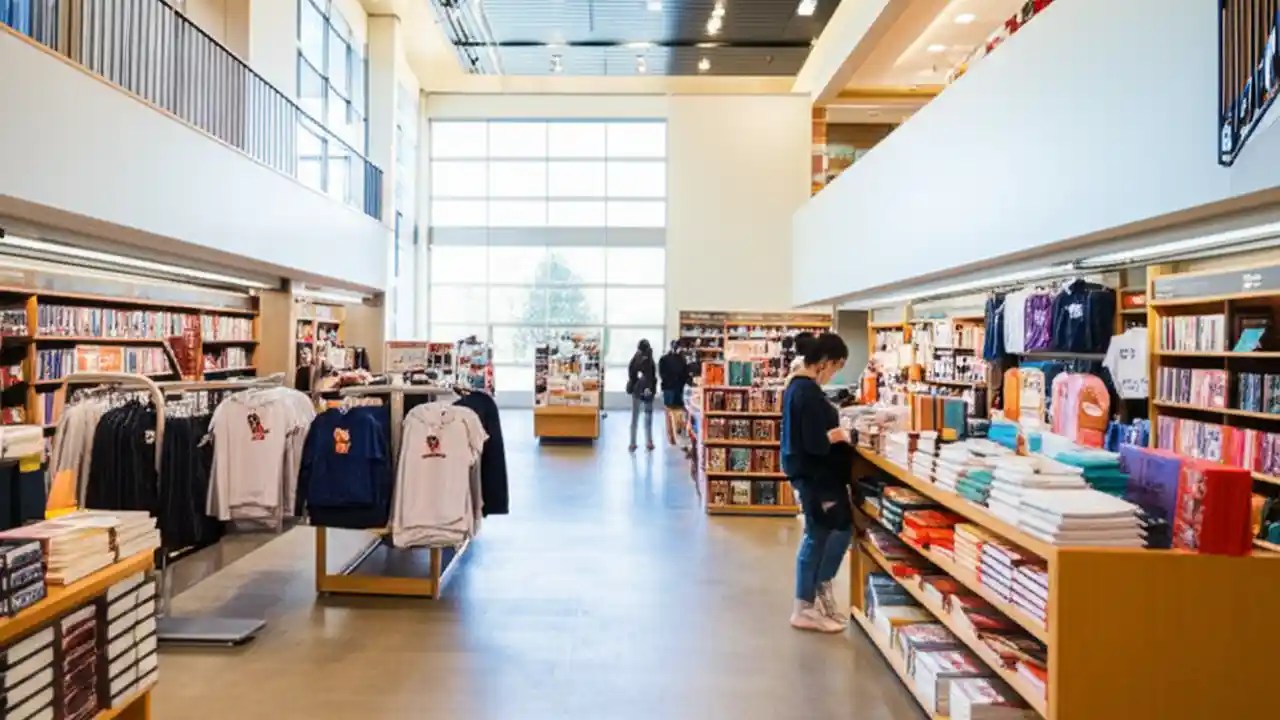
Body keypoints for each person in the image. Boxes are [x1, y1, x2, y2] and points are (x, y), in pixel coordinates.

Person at [781, 332, 852, 633]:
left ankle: (812, 598)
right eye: (836, 367)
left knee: (825, 531)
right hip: (815, 476)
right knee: (821, 532)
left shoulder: (796, 387)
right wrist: (835, 435)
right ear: (825, 362)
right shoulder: (807, 392)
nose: (834, 374)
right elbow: (813, 442)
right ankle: (806, 605)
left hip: (809, 473)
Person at [626, 339, 657, 452]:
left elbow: (631, 372)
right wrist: (651, 390)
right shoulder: (650, 359)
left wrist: (635, 383)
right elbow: (652, 377)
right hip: (648, 391)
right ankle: (649, 441)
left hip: (637, 391)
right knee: (648, 416)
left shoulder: (636, 358)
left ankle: (632, 443)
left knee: (635, 417)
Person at [658, 341, 689, 446]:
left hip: (668, 388)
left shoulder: (664, 359)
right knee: (678, 412)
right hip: (678, 388)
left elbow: (662, 374)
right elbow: (685, 374)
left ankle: (671, 436)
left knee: (669, 412)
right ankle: (677, 432)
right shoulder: (681, 359)